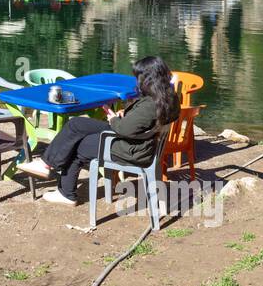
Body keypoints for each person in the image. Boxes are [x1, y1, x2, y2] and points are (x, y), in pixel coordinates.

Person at [18, 55, 181, 206]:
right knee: (76, 125)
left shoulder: (149, 105)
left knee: (78, 144)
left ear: (149, 79)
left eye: (139, 77)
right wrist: (127, 115)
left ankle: (66, 193)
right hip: (141, 142)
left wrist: (114, 119)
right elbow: (145, 121)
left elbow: (125, 129)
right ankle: (46, 164)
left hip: (132, 148)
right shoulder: (169, 97)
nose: (137, 81)